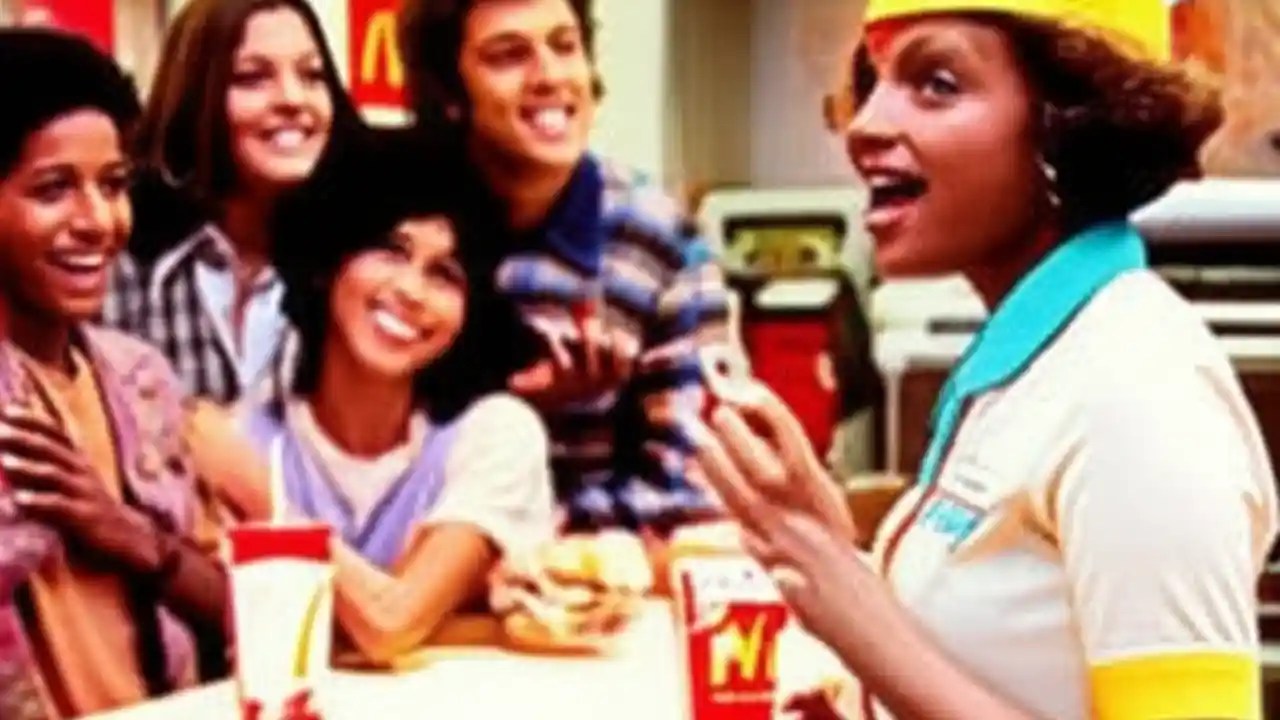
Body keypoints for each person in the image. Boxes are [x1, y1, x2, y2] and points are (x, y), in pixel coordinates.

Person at [692, 2, 1278, 719]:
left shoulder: (1141, 396)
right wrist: (844, 581)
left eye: (936, 83)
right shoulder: (1037, 354)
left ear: (1070, 125)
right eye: (872, 81)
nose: (866, 125)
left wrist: (855, 616)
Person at [191, 147, 556, 665]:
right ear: (328, 262)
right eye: (390, 250)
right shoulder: (246, 435)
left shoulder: (495, 436)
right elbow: (250, 647)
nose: (411, 290)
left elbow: (390, 625)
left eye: (445, 274)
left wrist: (263, 499)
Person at [398, 0, 738, 532]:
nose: (550, 76)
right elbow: (343, 454)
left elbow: (699, 485)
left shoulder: (654, 236)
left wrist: (519, 527)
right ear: (449, 93)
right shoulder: (395, 231)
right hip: (394, 578)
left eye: (564, 46)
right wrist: (516, 405)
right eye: (508, 56)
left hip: (584, 583)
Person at [0, 29, 229, 719]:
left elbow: (237, 605)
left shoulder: (141, 379)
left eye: (113, 185)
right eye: (54, 189)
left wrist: (129, 534)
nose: (98, 221)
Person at [102, 0, 367, 405]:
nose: (293, 99)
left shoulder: (361, 260)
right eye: (253, 78)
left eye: (313, 75)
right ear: (195, 94)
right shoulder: (128, 256)